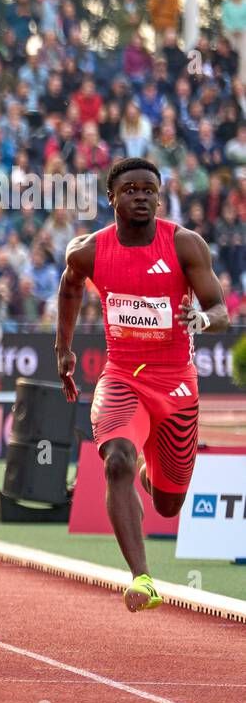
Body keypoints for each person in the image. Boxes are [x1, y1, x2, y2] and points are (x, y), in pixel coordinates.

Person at [56, 157, 228, 612]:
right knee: (116, 462)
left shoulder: (185, 245)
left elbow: (221, 310)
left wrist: (203, 318)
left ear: (159, 197)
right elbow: (69, 287)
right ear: (111, 198)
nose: (141, 197)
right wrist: (63, 348)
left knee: (169, 504)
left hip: (175, 385)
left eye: (149, 190)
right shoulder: (89, 250)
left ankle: (155, 476)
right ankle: (142, 578)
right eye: (131, 190)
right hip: (122, 377)